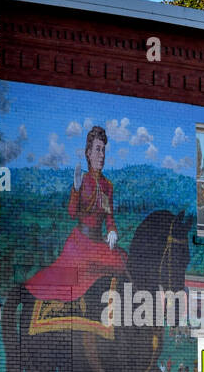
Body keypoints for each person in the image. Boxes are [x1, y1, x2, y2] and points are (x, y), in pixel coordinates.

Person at [23, 125, 127, 301]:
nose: (102, 155)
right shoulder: (83, 180)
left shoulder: (107, 185)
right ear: (88, 153)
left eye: (104, 150)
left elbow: (109, 217)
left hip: (98, 243)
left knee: (123, 261)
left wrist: (111, 231)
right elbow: (72, 213)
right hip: (80, 242)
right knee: (78, 274)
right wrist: (76, 190)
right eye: (97, 150)